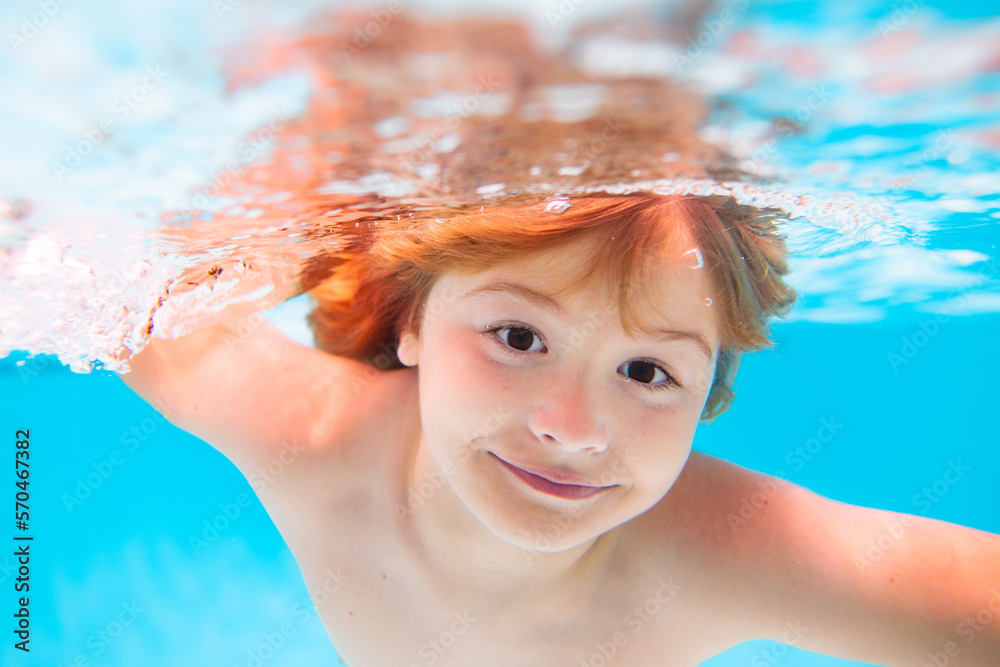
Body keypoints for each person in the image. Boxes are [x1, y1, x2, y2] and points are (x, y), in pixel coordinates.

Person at [120, 192, 1000, 666]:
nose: (573, 428)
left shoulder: (726, 549)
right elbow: (119, 294)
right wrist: (335, 216)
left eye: (650, 372)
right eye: (517, 337)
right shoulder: (314, 437)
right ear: (413, 322)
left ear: (709, 398)